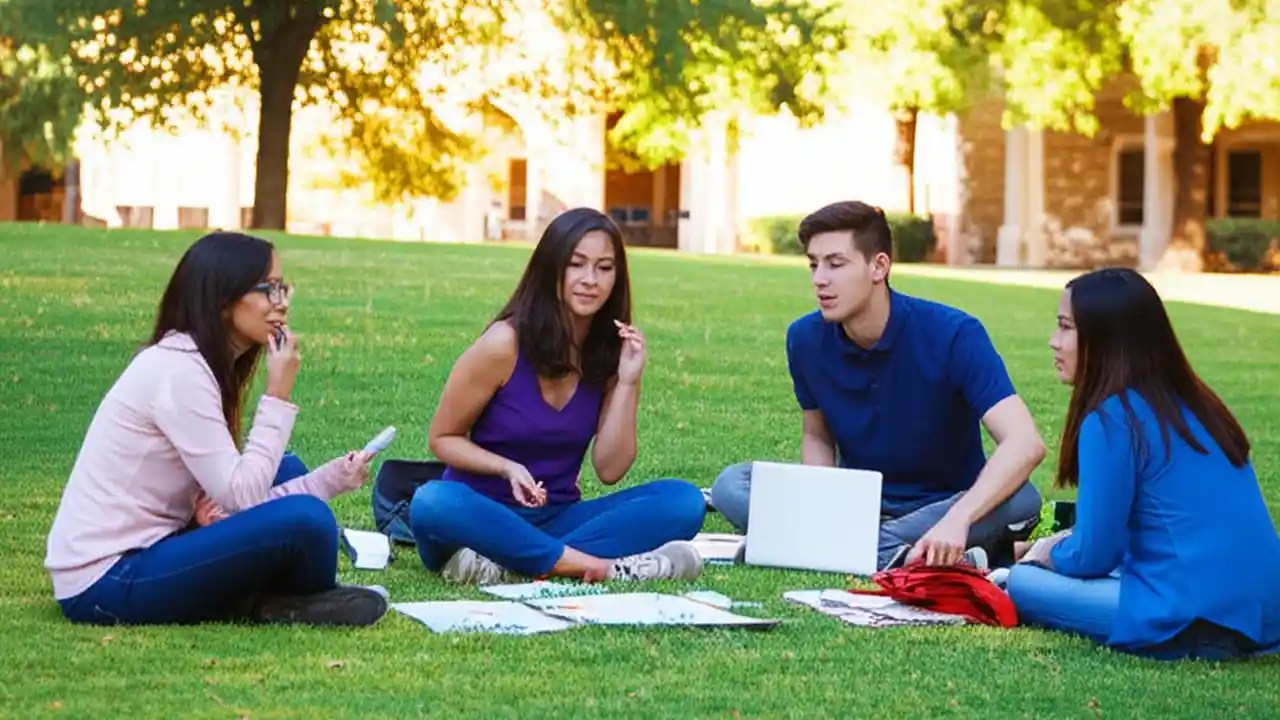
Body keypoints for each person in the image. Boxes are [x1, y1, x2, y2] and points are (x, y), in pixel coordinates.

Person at [44, 231, 387, 627]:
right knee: (307, 520)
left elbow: (235, 496)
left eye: (283, 288)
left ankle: (276, 601)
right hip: (109, 579)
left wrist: (330, 479)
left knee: (288, 471)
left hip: (157, 544)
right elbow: (243, 495)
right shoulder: (179, 372)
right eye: (269, 289)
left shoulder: (196, 362)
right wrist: (277, 394)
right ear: (223, 300)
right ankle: (287, 600)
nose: (282, 302)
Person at [710, 200, 1047, 570]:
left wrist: (957, 519)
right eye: (813, 264)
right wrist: (818, 502)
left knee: (1022, 499)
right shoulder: (804, 338)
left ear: (879, 266)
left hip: (943, 504)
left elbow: (1025, 443)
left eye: (835, 264)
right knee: (731, 485)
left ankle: (831, 544)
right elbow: (817, 435)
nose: (819, 279)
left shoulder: (954, 334)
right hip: (855, 503)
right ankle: (901, 553)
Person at [410, 207, 707, 585]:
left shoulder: (611, 356)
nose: (590, 280)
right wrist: (506, 467)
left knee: (683, 501)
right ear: (552, 268)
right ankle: (599, 566)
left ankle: (516, 563)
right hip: (479, 516)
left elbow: (610, 469)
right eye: (576, 264)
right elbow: (442, 438)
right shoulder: (504, 344)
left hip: (557, 518)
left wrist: (627, 382)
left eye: (604, 268)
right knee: (432, 502)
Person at [1006, 268, 1280, 660]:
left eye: (1065, 327)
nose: (1054, 341)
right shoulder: (1199, 404)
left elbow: (1093, 556)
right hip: (1265, 610)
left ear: (1107, 339)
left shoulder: (1111, 418)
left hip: (1193, 620)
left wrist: (1047, 555)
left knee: (1022, 582)